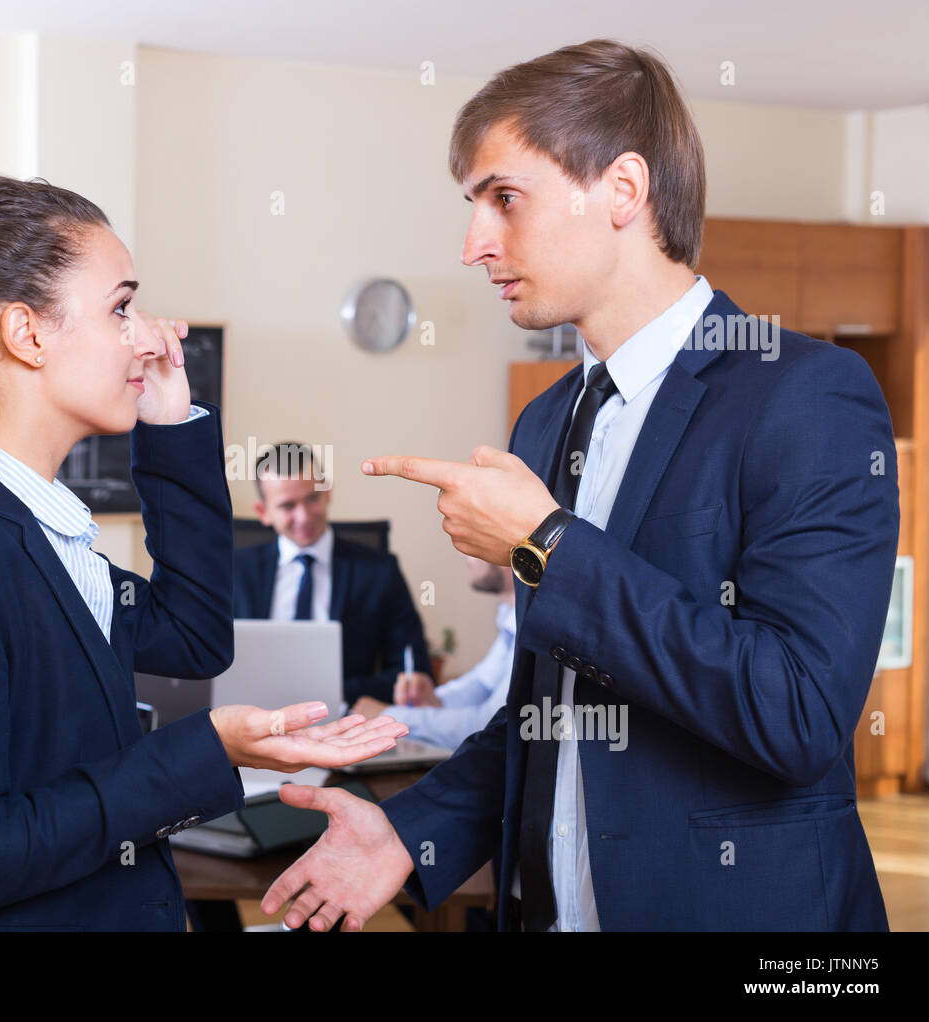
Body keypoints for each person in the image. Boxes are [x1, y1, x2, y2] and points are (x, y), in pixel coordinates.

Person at [262, 38, 897, 932]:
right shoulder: (543, 421)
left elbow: (796, 714)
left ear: (624, 191)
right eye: (474, 206)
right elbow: (545, 712)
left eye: (504, 199)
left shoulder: (806, 395)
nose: (475, 244)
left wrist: (549, 545)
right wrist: (411, 836)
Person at [0, 175, 406, 932]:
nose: (149, 336)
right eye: (120, 308)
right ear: (28, 334)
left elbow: (195, 636)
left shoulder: (32, 527)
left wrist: (173, 428)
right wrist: (205, 752)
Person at [233, 441, 433, 703]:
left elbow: (411, 671)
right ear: (264, 512)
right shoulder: (234, 572)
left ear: (327, 492)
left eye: (312, 498)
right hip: (253, 717)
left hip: (344, 720)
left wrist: (332, 694)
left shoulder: (378, 571)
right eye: (287, 506)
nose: (303, 517)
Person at [353, 560, 515, 752]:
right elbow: (481, 683)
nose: (464, 555)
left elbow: (488, 725)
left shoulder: (535, 622)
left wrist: (387, 717)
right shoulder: (510, 614)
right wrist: (435, 701)